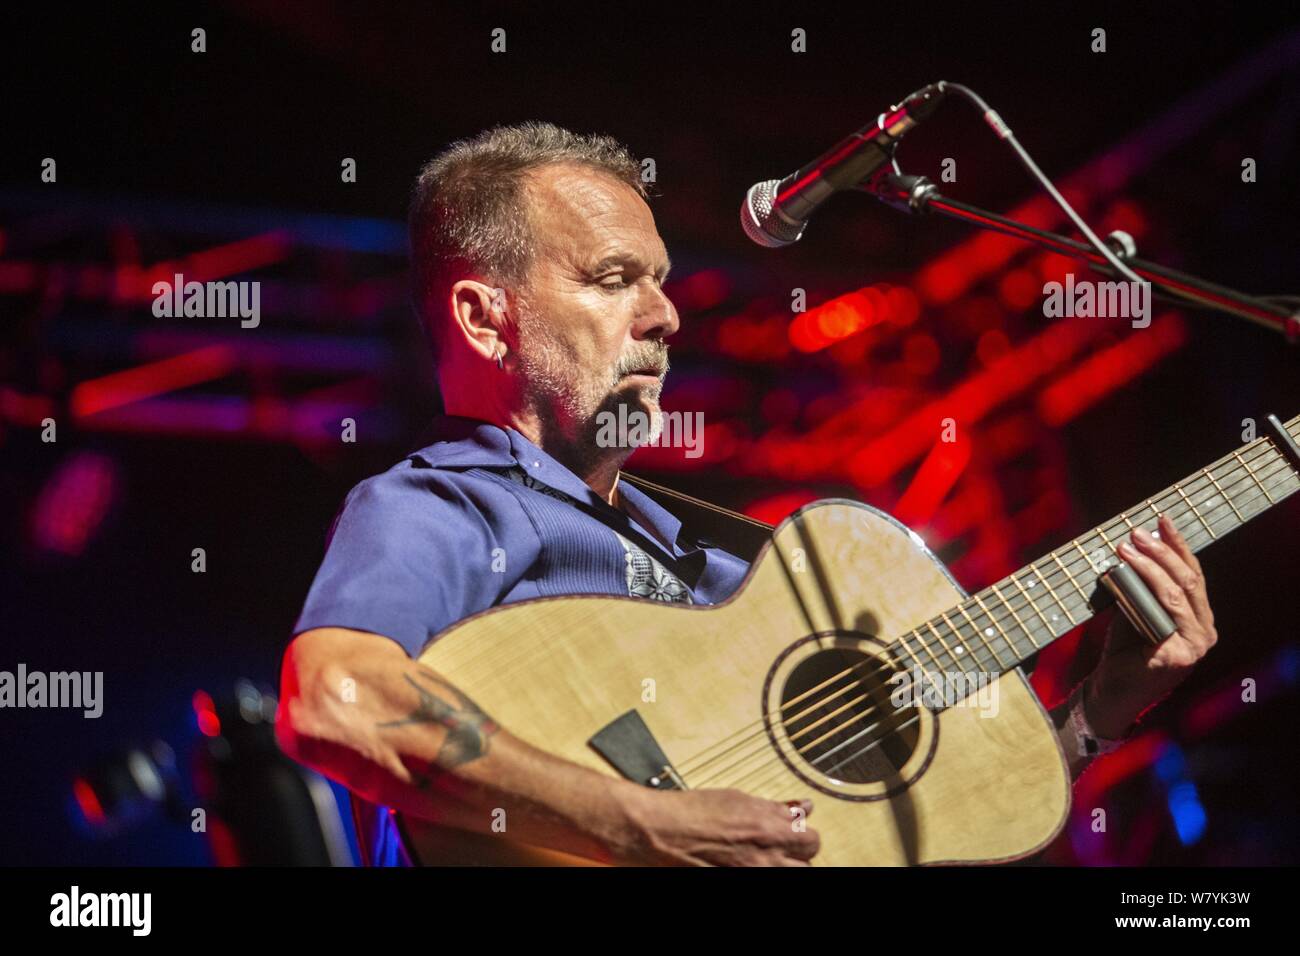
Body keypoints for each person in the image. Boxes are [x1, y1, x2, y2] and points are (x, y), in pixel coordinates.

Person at [275, 121, 1219, 866]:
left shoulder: (725, 562)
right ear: (487, 321)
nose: (666, 313)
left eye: (661, 281)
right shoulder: (443, 505)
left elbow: (937, 823)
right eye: (614, 280)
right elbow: (337, 699)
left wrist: (1102, 706)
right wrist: (640, 823)